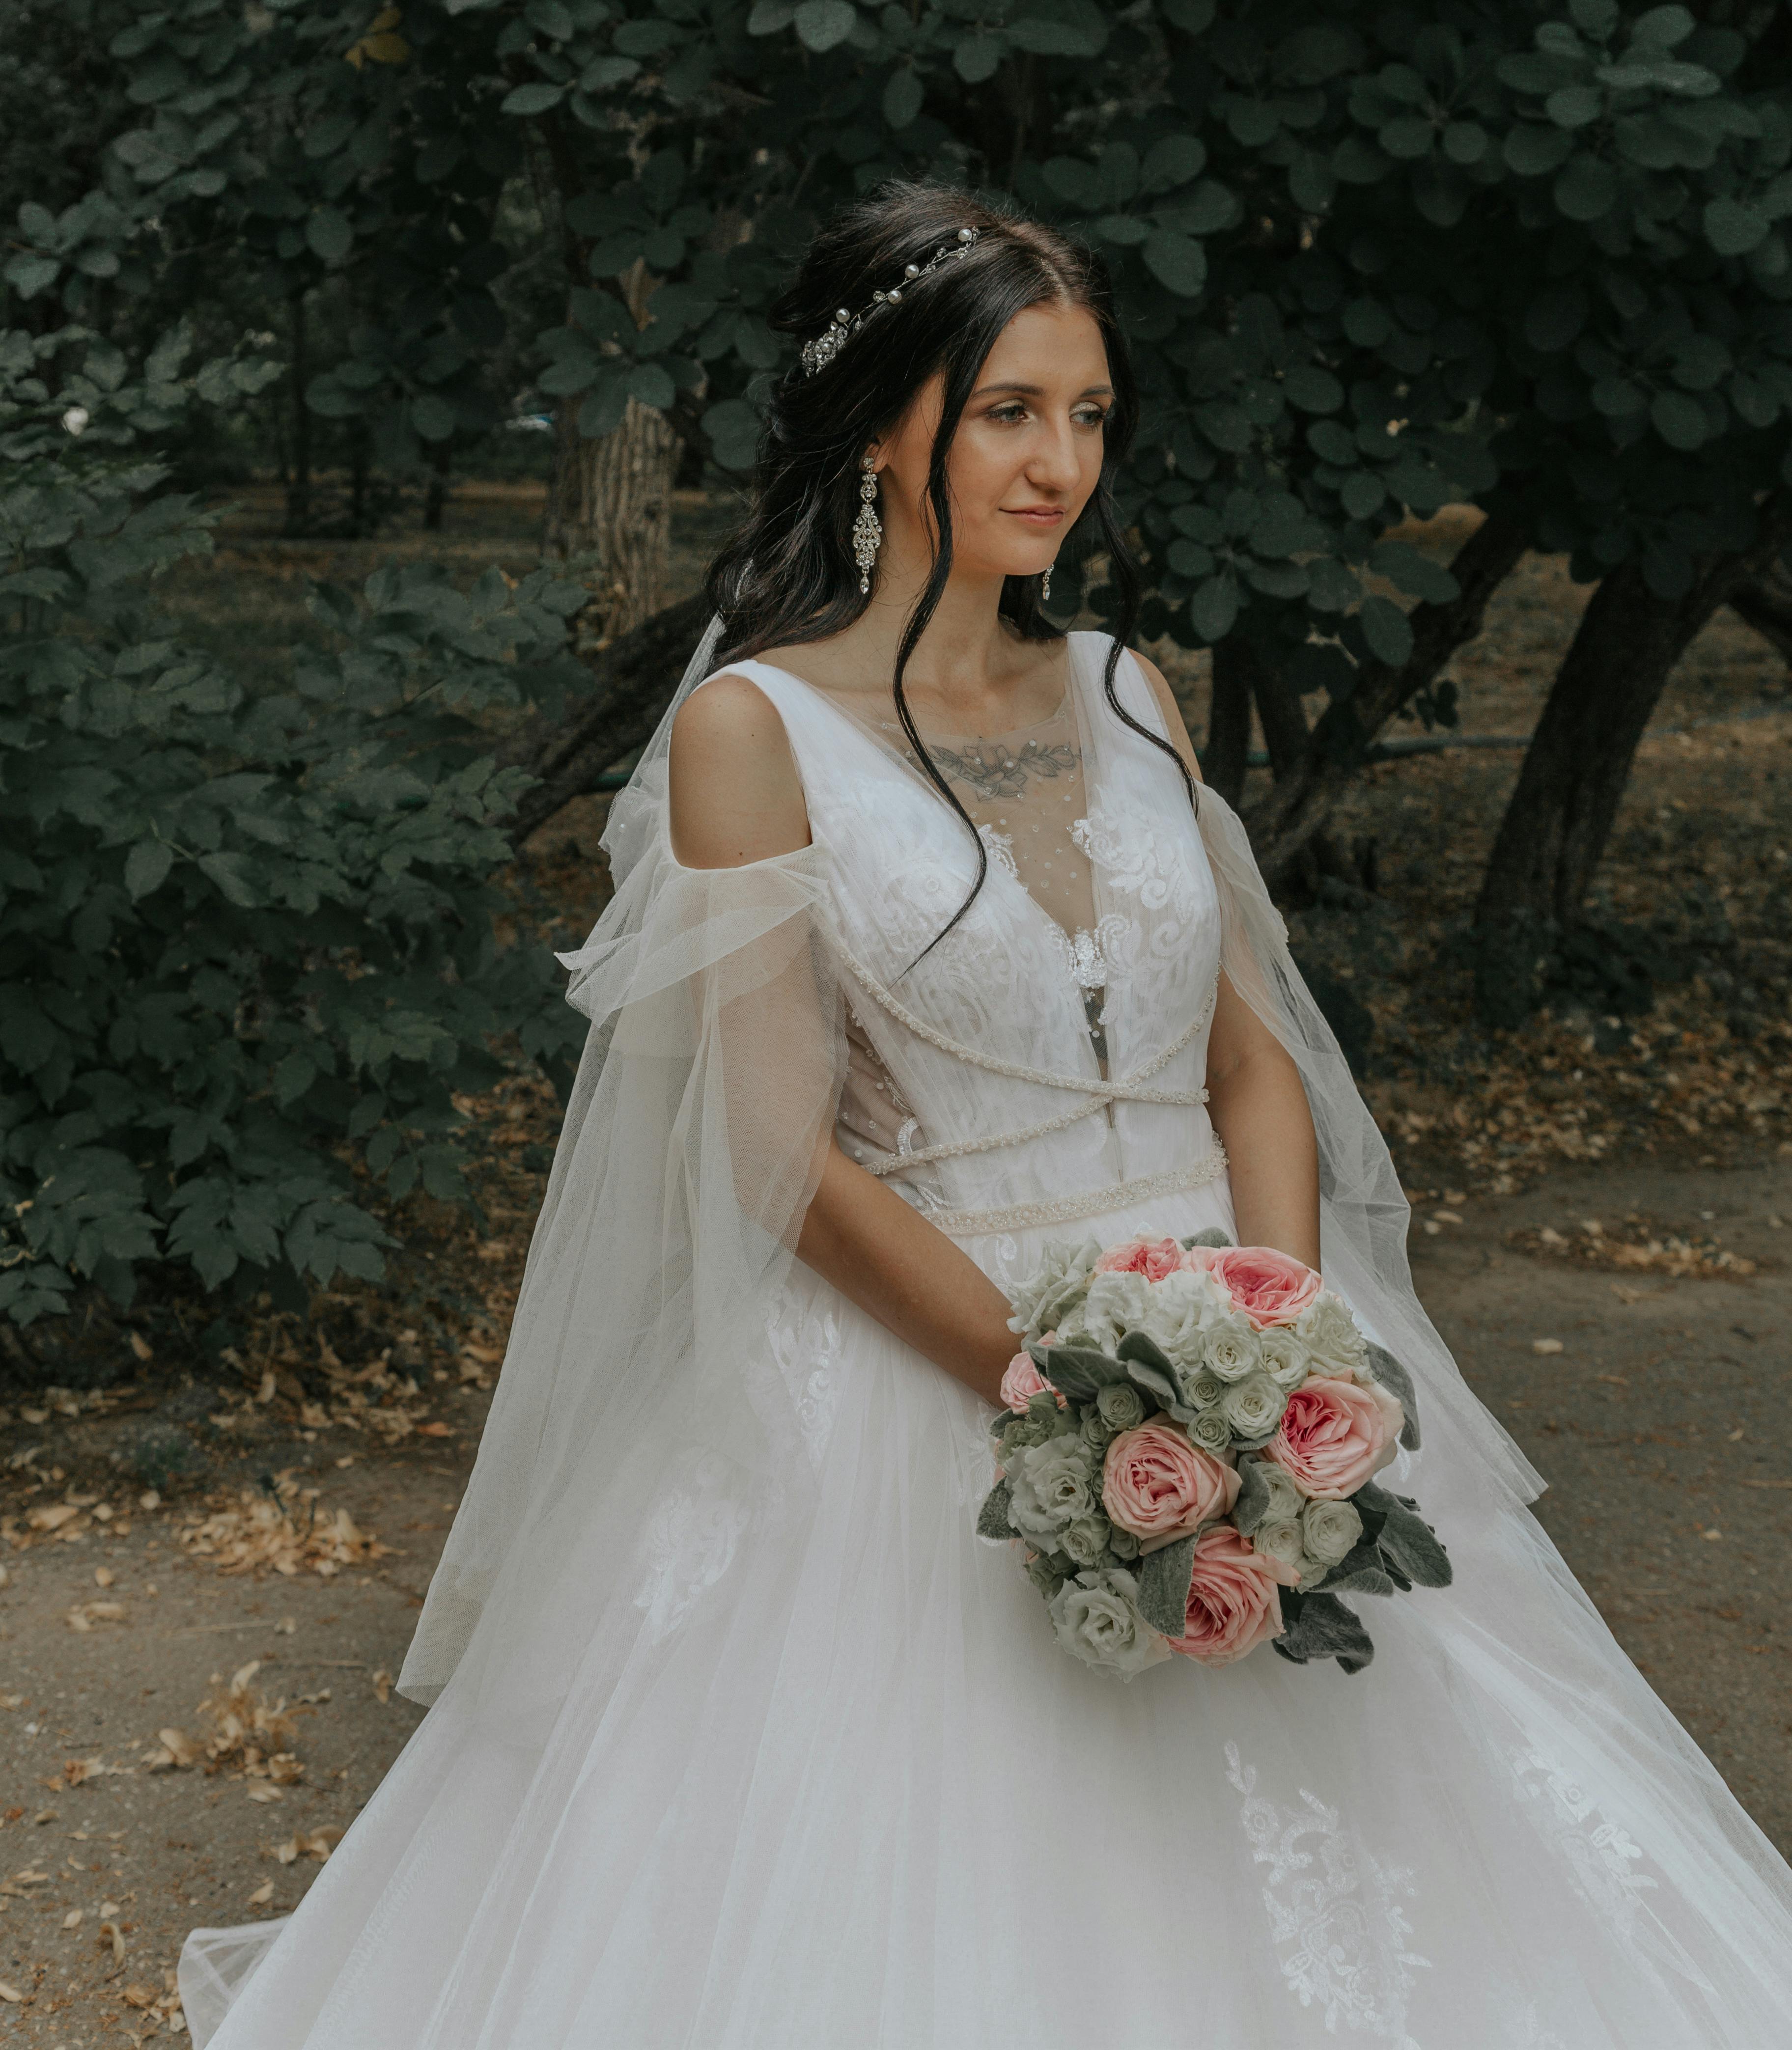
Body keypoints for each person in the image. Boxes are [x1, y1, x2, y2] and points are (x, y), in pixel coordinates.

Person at [181, 182, 1792, 2046]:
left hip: (1233, 1323)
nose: (1061, 462)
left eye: (1089, 414)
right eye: (1012, 410)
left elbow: (1249, 1055)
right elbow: (776, 1153)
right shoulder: (756, 733)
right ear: (889, 423)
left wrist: (1271, 1357)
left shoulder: (1127, 688)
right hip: (928, 1355)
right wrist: (1071, 1391)